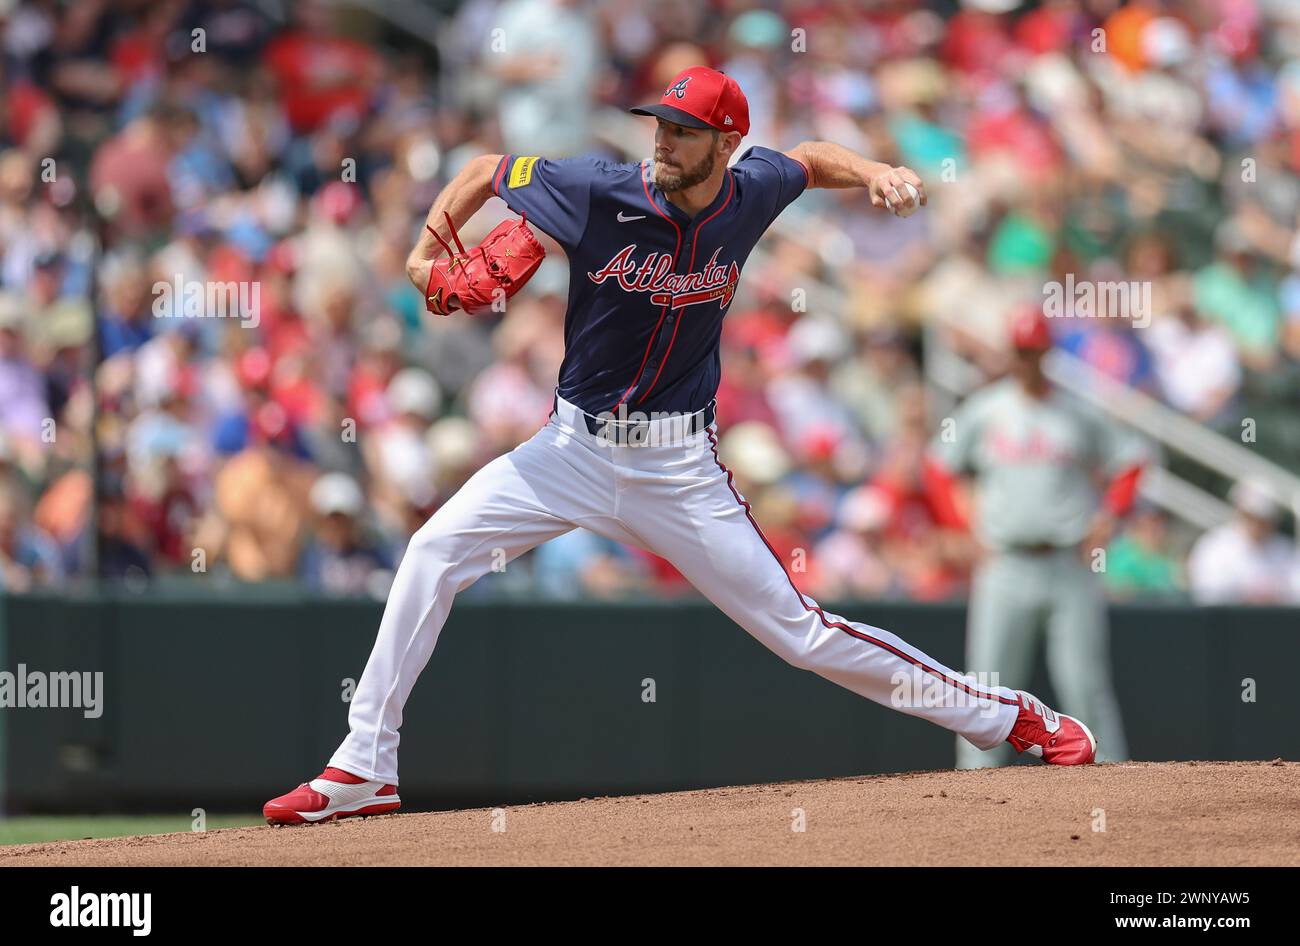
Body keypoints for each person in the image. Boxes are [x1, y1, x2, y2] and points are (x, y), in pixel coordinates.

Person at [265, 67, 1099, 825]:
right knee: (432, 550)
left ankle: (1016, 717)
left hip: (676, 467)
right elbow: (487, 169)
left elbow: (808, 156)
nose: (661, 142)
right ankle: (364, 766)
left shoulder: (752, 189)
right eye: (659, 125)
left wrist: (876, 171)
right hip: (571, 449)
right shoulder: (596, 188)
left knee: (801, 635)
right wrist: (423, 251)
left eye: (681, 131)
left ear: (725, 144)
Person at [928, 306, 1143, 768]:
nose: (1028, 359)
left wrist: (1111, 516)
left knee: (1084, 682)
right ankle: (974, 790)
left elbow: (1132, 460)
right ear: (1012, 353)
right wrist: (958, 528)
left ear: (1047, 352)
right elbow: (938, 466)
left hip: (1068, 562)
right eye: (1021, 351)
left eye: (1035, 351)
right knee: (984, 685)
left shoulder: (1076, 411)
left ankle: (1112, 781)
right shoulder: (987, 409)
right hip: (1004, 562)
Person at [1188, 478, 1296, 605]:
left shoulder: (1285, 549)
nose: (1257, 523)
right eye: (1251, 516)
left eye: (1264, 518)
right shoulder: (1215, 545)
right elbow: (1206, 591)